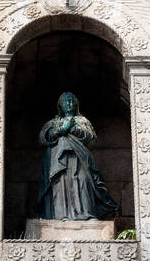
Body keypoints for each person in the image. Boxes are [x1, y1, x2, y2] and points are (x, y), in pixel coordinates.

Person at [36, 92, 118, 220]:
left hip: (80, 157)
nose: (68, 103)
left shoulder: (82, 120)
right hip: (58, 159)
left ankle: (86, 213)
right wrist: (61, 130)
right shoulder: (54, 122)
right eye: (65, 101)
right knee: (60, 183)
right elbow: (43, 137)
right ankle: (60, 215)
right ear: (60, 105)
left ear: (75, 104)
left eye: (71, 101)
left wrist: (72, 129)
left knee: (83, 180)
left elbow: (90, 137)